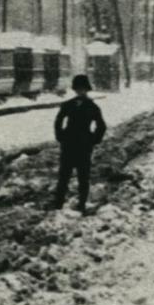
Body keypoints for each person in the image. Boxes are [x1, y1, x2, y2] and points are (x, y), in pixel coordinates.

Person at [53, 72, 106, 212]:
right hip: (69, 144)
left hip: (84, 146)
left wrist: (93, 140)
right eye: (78, 89)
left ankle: (82, 204)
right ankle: (58, 203)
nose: (80, 91)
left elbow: (101, 126)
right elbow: (58, 121)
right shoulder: (67, 105)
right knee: (64, 175)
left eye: (83, 89)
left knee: (83, 177)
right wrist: (60, 136)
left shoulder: (92, 107)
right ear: (75, 90)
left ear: (87, 89)